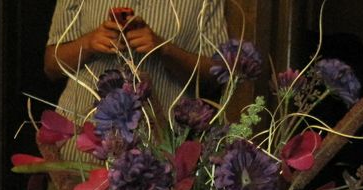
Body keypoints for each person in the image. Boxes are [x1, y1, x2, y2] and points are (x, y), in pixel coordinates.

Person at [44, 1, 230, 128]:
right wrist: (88, 43)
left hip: (160, 156)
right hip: (81, 145)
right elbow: (51, 66)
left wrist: (165, 50)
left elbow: (216, 76)